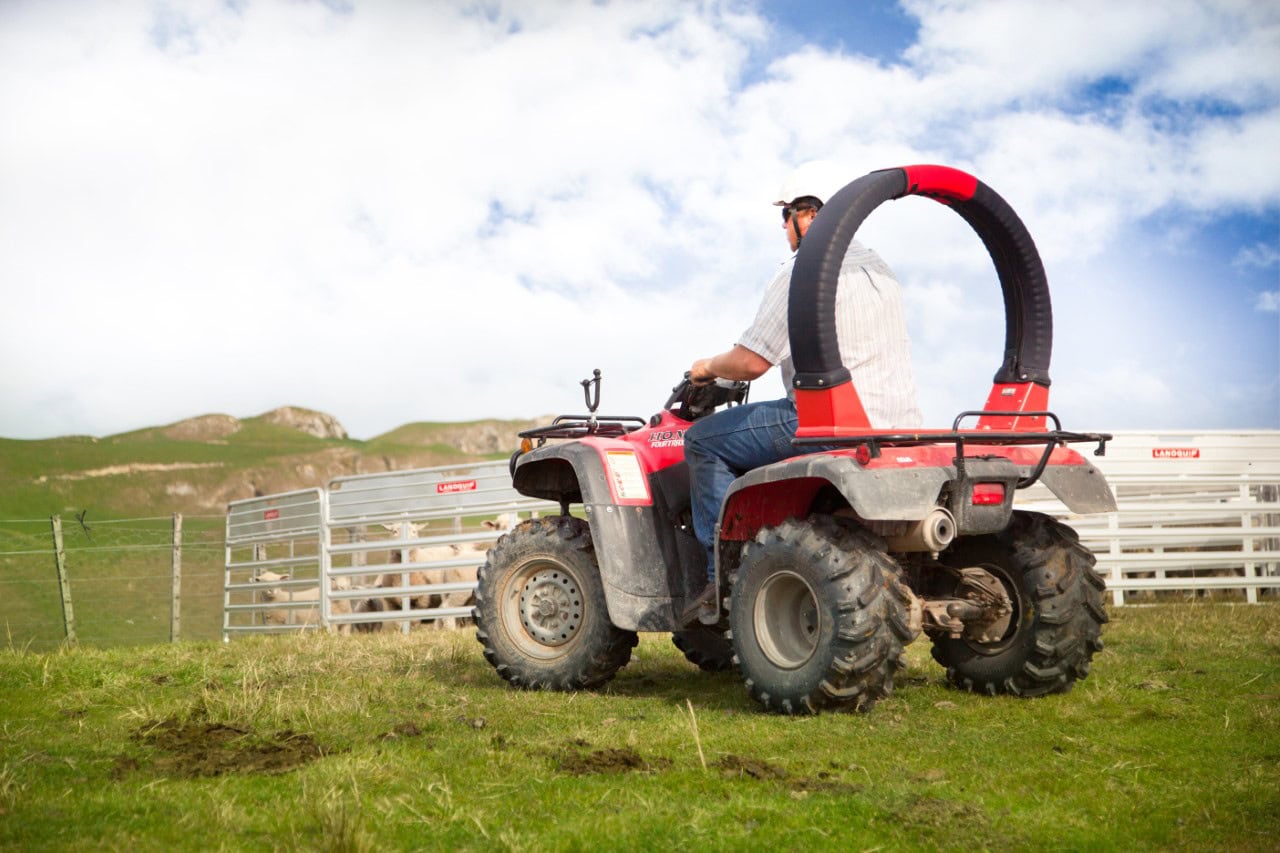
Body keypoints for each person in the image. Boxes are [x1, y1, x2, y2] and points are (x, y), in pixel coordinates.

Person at [681, 161, 923, 624]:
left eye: (786, 215)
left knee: (703, 441)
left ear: (809, 215)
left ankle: (721, 578)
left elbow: (752, 361)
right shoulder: (880, 268)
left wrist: (706, 367)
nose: (783, 227)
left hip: (828, 422)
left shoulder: (804, 269)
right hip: (897, 425)